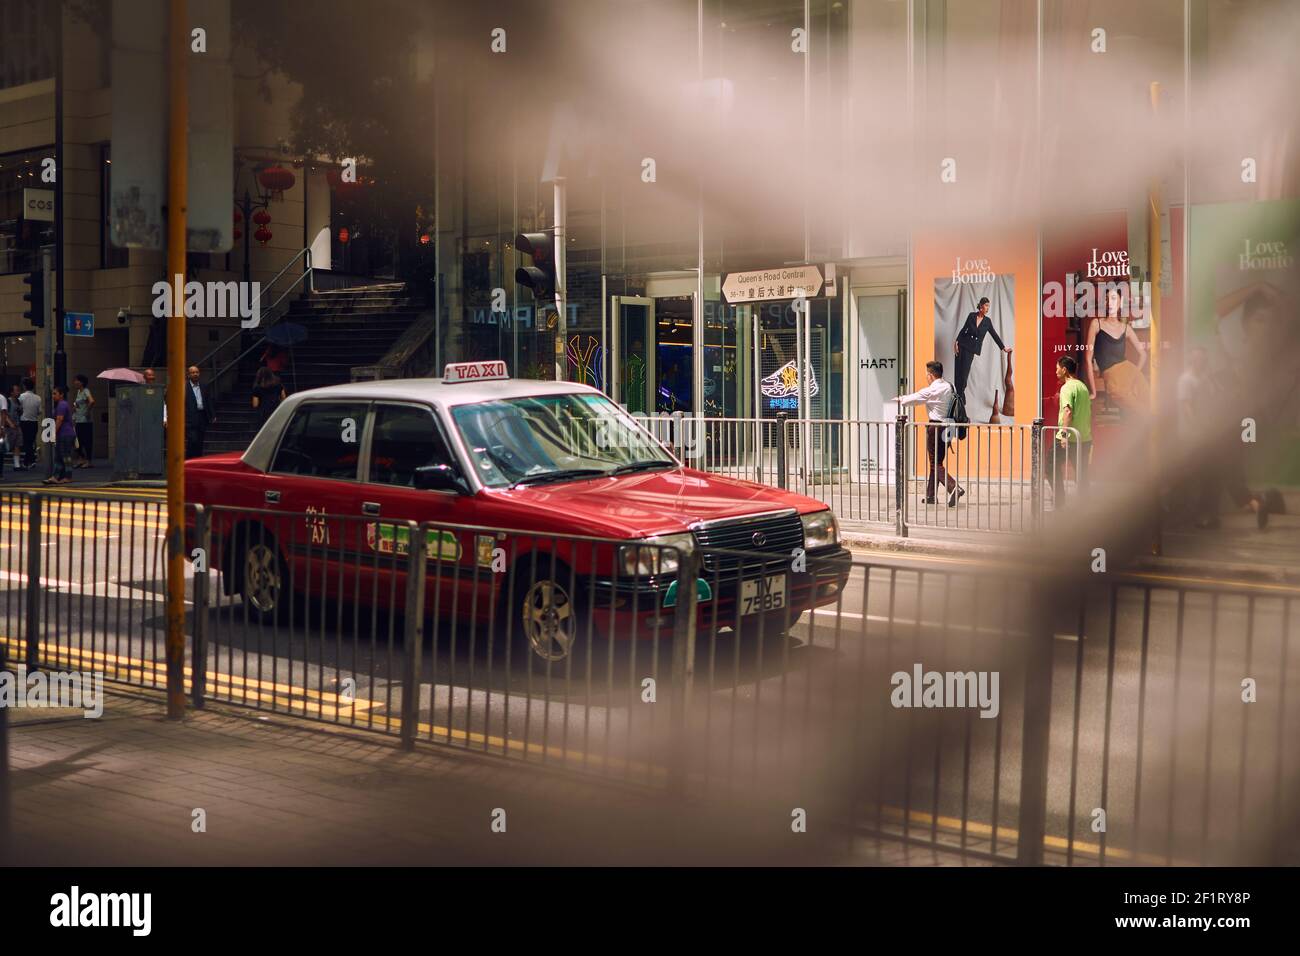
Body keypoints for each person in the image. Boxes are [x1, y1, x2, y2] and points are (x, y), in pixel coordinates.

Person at [899, 360, 964, 507]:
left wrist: (901, 399)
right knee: (937, 462)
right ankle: (930, 495)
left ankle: (953, 487)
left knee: (935, 462)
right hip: (949, 427)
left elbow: (917, 398)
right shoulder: (949, 386)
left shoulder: (933, 389)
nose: (926, 377)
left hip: (936, 428)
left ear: (931, 375)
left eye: (927, 374)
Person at [1084, 286, 1148, 413]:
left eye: (1113, 298)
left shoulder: (1126, 328)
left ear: (1120, 302)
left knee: (1150, 401)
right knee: (1139, 410)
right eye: (1107, 299)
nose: (1109, 302)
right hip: (1113, 378)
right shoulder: (1096, 324)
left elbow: (1143, 354)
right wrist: (1094, 391)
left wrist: (1135, 374)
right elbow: (1087, 359)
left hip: (1130, 372)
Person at [953, 296, 1012, 402]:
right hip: (962, 345)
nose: (988, 308)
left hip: (971, 349)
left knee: (964, 374)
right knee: (958, 373)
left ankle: (961, 396)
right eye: (986, 305)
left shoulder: (987, 322)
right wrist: (956, 342)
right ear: (981, 306)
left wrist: (1003, 347)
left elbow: (994, 335)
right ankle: (959, 396)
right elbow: (964, 329)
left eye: (989, 306)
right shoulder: (971, 316)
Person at [1052, 355, 1092, 506]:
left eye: (1057, 369)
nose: (1056, 372)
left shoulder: (1067, 388)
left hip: (1069, 438)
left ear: (1064, 369)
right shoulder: (1082, 386)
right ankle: (1084, 506)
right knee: (1081, 474)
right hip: (1084, 438)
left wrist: (1063, 435)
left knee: (1050, 466)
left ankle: (1060, 503)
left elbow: (1067, 412)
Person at [43, 384, 76, 485]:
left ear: (61, 395)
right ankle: (55, 477)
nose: (53, 396)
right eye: (52, 394)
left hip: (65, 434)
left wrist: (53, 433)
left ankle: (68, 477)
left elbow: (59, 420)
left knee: (65, 456)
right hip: (63, 434)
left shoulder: (62, 405)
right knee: (59, 456)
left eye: (55, 394)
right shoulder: (61, 404)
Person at [184, 365, 214, 458]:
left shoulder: (204, 386)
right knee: (192, 440)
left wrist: (212, 415)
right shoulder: (185, 387)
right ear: (188, 375)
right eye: (193, 373)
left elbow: (208, 400)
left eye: (197, 372)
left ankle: (198, 459)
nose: (195, 374)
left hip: (202, 416)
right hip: (190, 417)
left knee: (200, 440)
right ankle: (189, 460)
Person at [250, 365, 285, 430]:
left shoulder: (257, 388)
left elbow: (255, 404)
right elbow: (284, 397)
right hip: (276, 410)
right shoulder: (278, 385)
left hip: (263, 413)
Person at [72, 373, 96, 468]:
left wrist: (87, 411)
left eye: (76, 380)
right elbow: (78, 402)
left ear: (81, 382)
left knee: (86, 441)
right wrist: (75, 406)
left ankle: (88, 461)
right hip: (78, 420)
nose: (75, 382)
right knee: (78, 441)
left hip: (85, 421)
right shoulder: (79, 392)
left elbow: (92, 401)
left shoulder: (86, 391)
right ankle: (81, 459)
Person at [17, 378, 41, 470]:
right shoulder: (38, 398)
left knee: (27, 443)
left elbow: (18, 409)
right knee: (30, 442)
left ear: (24, 386)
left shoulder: (21, 397)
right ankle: (28, 461)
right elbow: (39, 412)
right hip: (34, 422)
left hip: (24, 422)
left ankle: (30, 461)